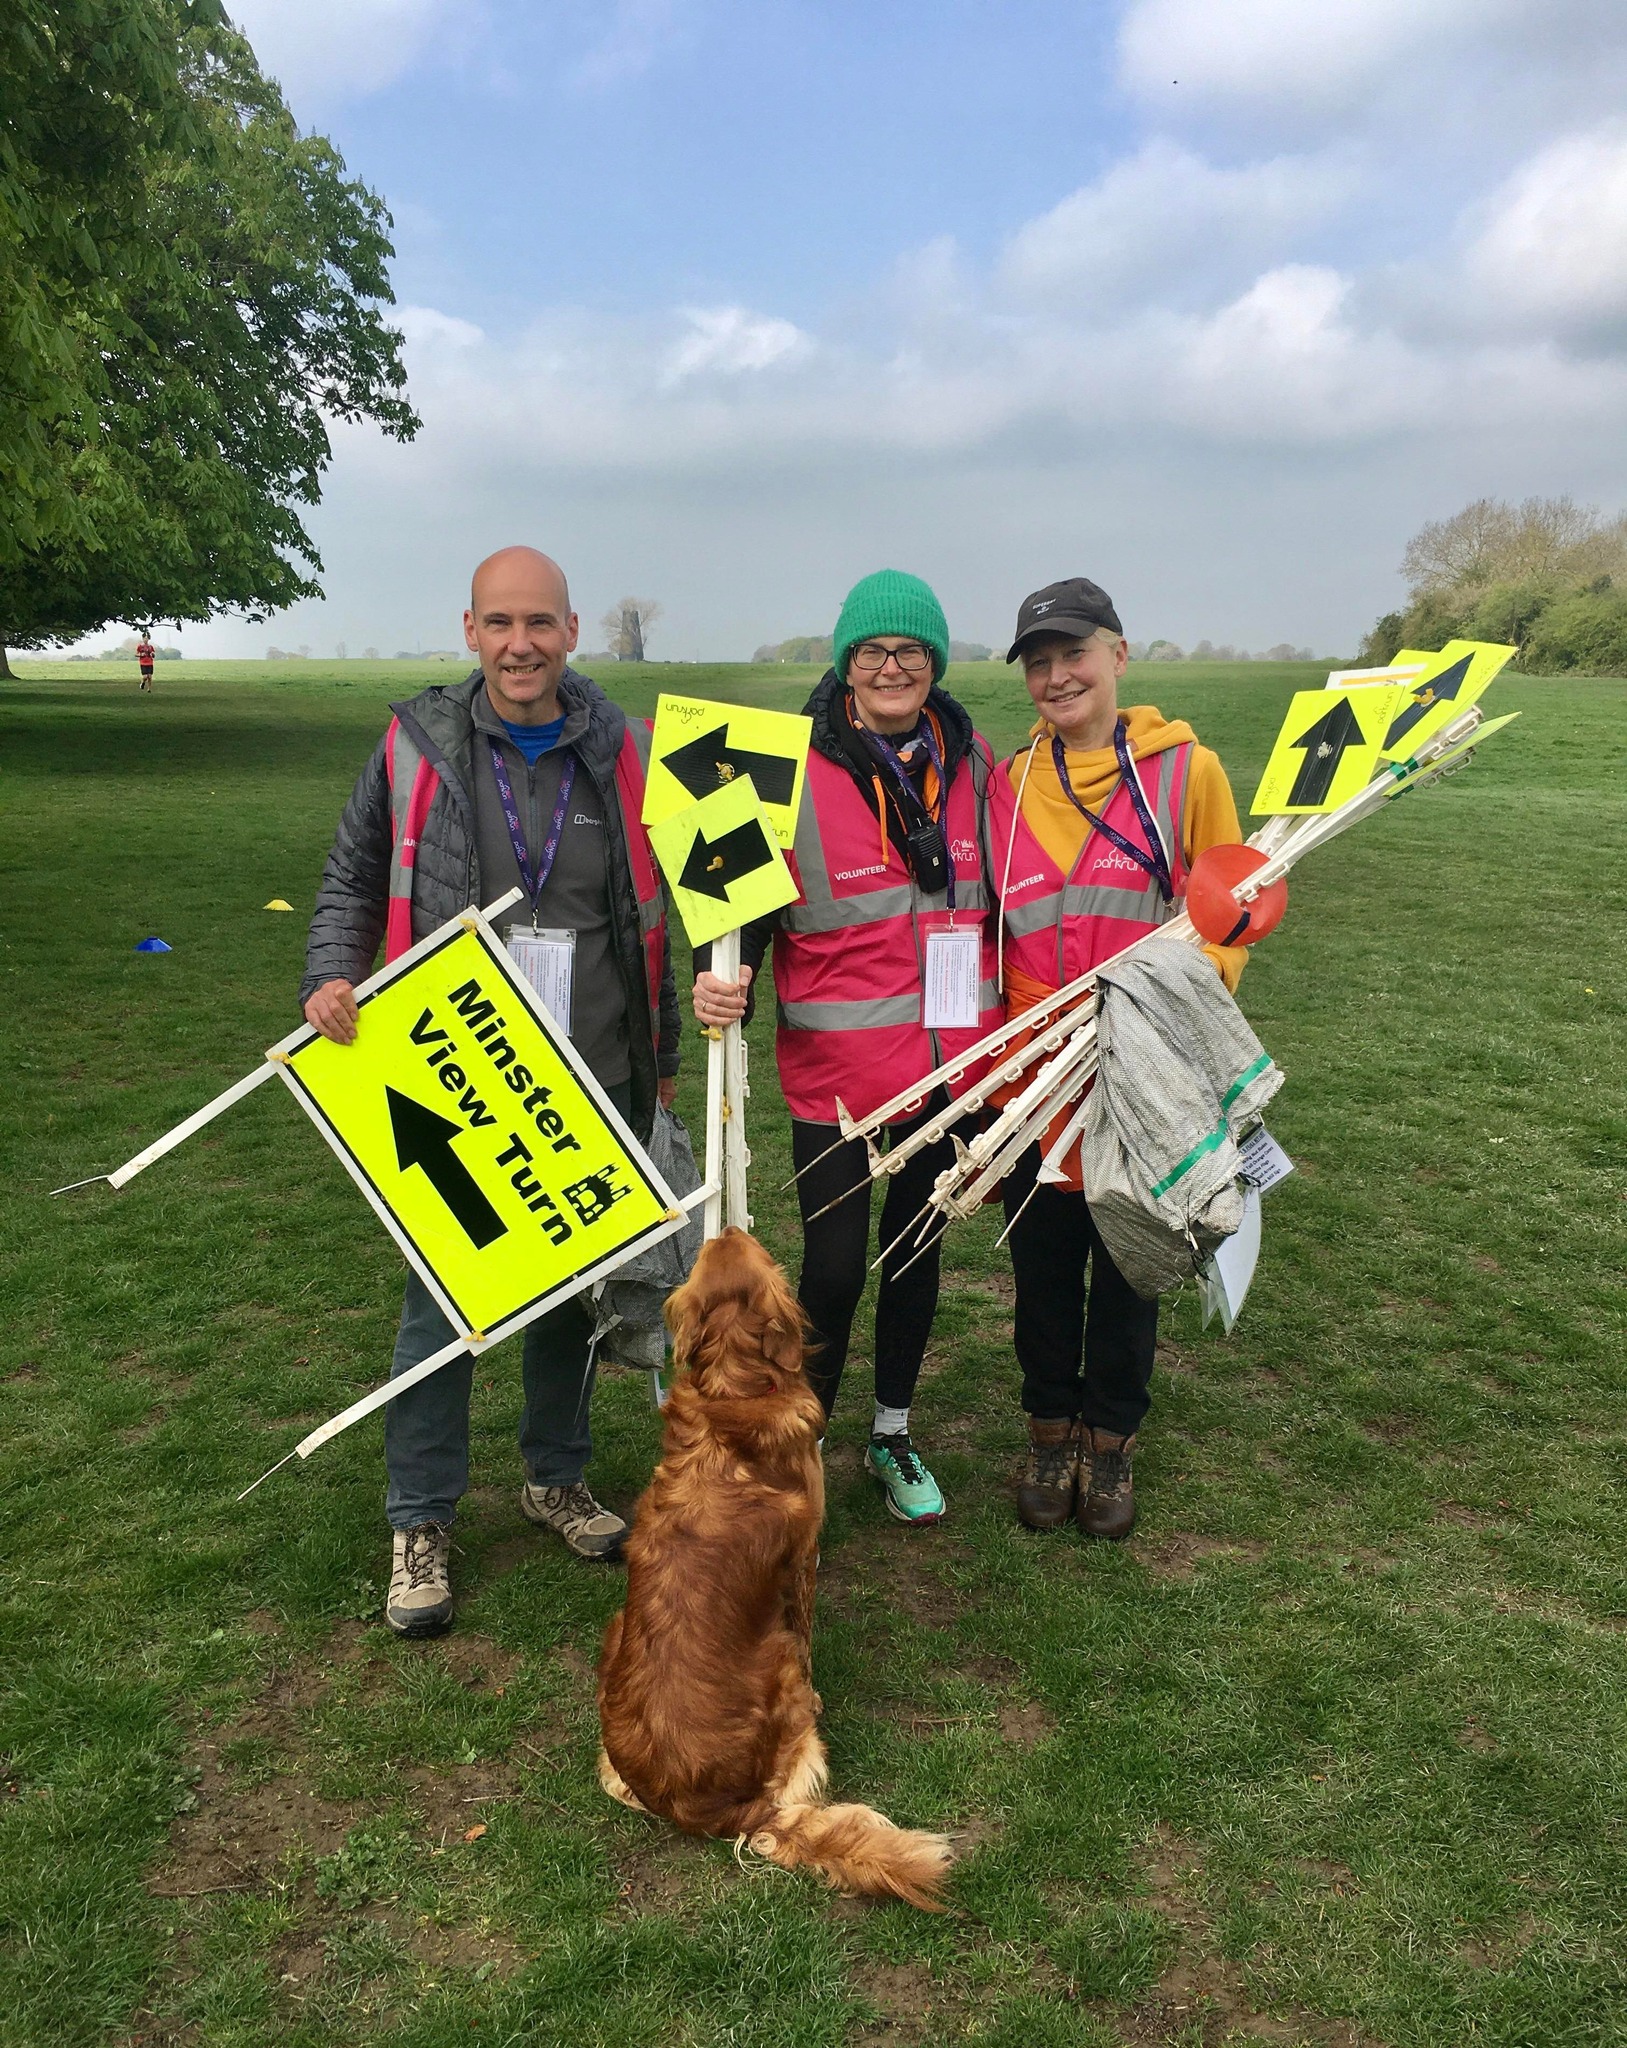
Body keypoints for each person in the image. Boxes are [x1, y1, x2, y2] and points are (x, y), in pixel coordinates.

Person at [301, 546, 680, 1635]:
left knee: (569, 1284)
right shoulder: (414, 743)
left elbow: (682, 892)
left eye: (542, 624)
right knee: (447, 1301)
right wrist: (330, 968)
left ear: (572, 633)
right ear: (470, 629)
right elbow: (351, 871)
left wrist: (694, 1015)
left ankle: (553, 1472)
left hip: (592, 1066)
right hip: (456, 1074)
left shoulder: (625, 750)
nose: (521, 644)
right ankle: (419, 1516)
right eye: (500, 623)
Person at [693, 570, 1001, 1526]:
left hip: (949, 1070)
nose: (892, 667)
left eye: (910, 651)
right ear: (845, 665)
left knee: (915, 1256)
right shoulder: (785, 771)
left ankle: (893, 1432)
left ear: (935, 663)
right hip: (834, 1084)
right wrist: (719, 977)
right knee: (829, 1271)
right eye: (872, 652)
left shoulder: (978, 762)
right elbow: (734, 914)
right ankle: (807, 1439)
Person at [989, 577, 1248, 1540]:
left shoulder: (1188, 773)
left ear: (1118, 656)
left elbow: (1233, 913)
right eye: (1040, 662)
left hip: (1139, 1084)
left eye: (1074, 654)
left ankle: (1110, 1448)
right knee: (1044, 1274)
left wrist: (1177, 1001)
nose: (1058, 677)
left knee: (1131, 1266)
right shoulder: (1008, 785)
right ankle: (1048, 1432)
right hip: (1032, 1086)